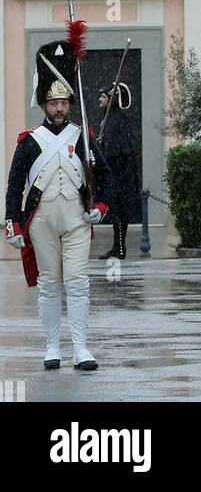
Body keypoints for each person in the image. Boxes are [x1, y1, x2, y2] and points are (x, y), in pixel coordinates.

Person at [5, 36, 111, 371]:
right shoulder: (29, 141)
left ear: (70, 102)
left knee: (78, 283)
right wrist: (13, 222)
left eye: (64, 101)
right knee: (50, 285)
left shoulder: (83, 136)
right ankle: (52, 347)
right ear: (44, 105)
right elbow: (13, 185)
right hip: (42, 222)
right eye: (53, 104)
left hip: (77, 220)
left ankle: (81, 348)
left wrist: (101, 207)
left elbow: (105, 176)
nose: (60, 108)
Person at [97, 81, 141, 261]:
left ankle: (120, 248)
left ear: (112, 100)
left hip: (119, 179)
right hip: (117, 179)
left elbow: (115, 154)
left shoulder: (117, 121)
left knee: (119, 213)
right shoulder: (111, 120)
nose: (100, 99)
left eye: (104, 96)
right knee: (117, 213)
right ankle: (118, 246)